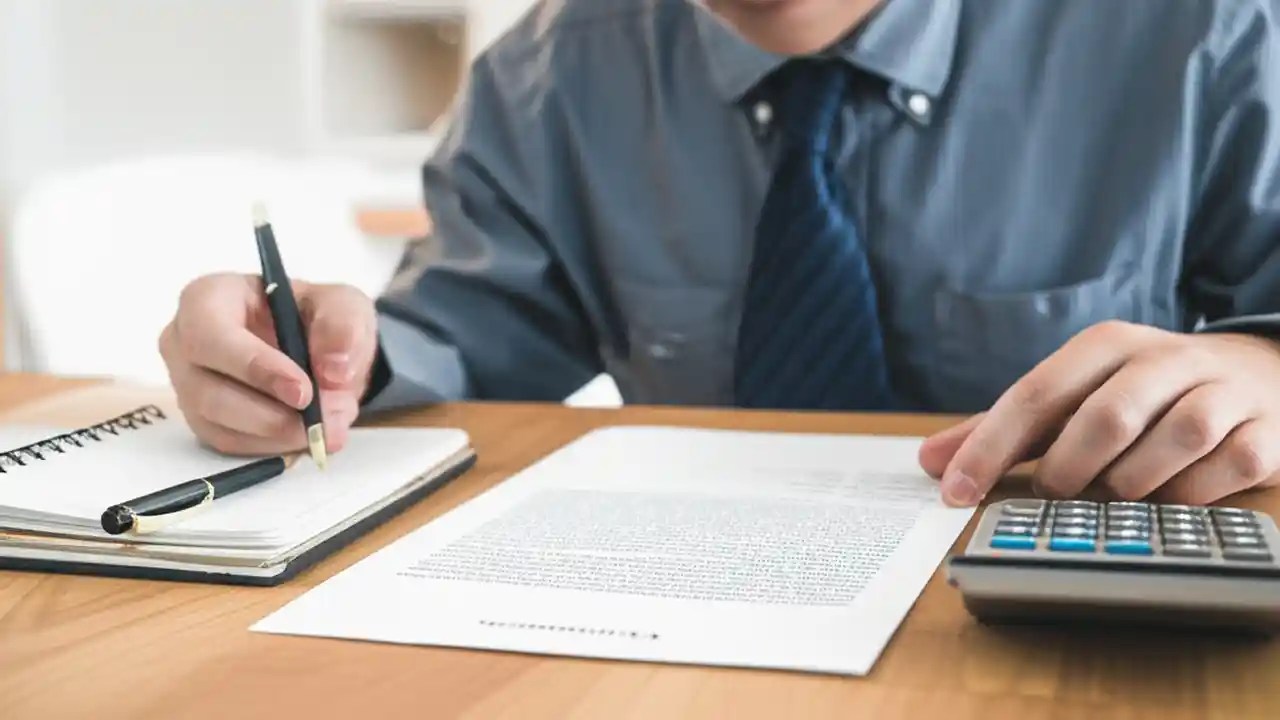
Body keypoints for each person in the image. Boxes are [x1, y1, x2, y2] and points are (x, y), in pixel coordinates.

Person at [160, 0, 1280, 508]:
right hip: (695, 621)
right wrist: (320, 355)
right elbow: (467, 336)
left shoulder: (1206, 33)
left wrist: (1265, 363)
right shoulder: (544, 78)